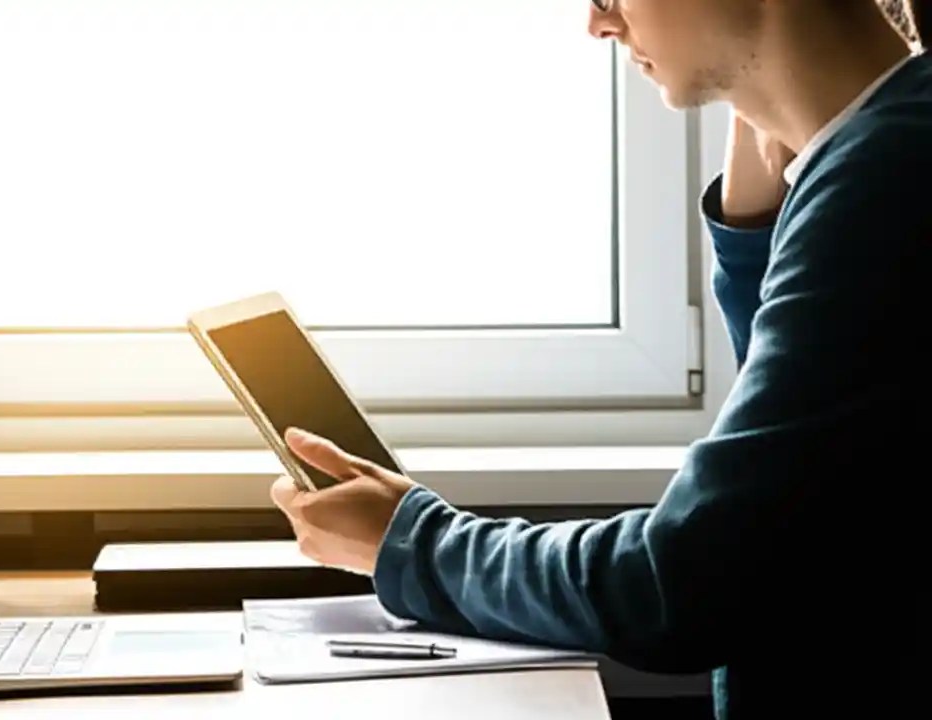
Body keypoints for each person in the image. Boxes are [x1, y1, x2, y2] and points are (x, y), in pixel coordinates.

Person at [269, 1, 929, 718]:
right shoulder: (879, 152)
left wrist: (417, 544)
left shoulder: (889, 179)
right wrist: (759, 218)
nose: (598, 22)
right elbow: (800, 476)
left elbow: (682, 584)